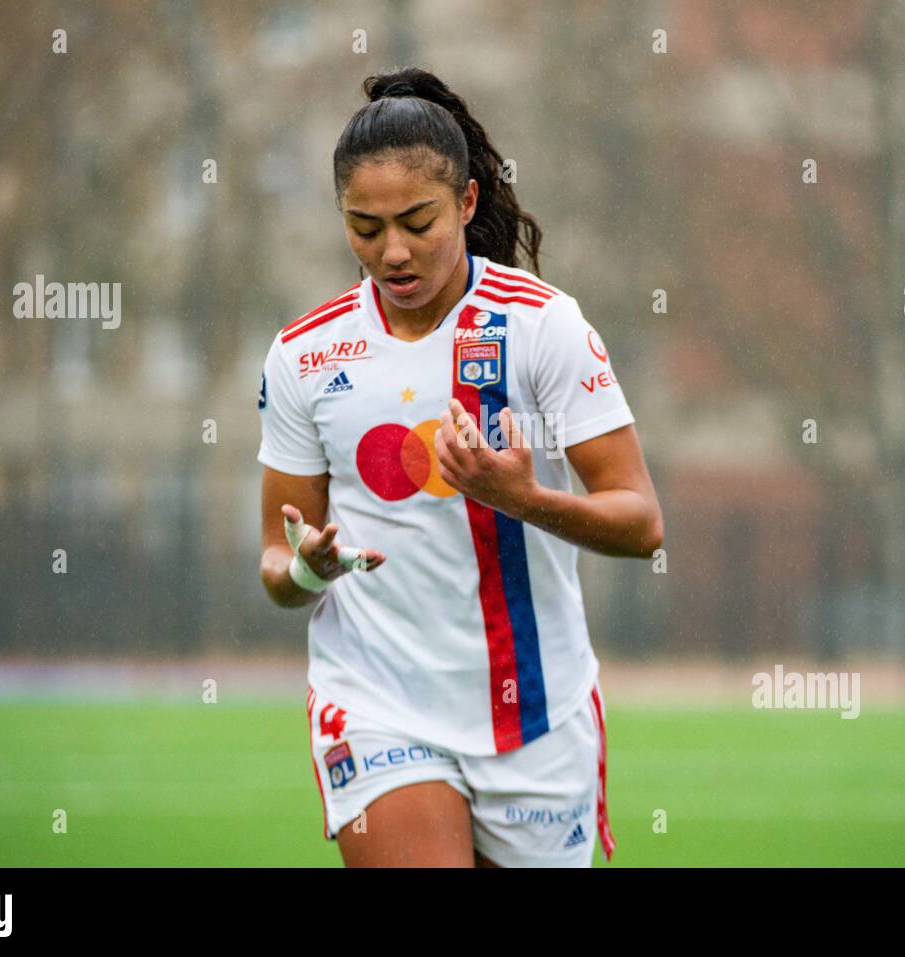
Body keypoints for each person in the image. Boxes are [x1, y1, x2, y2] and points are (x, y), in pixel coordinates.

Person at [257, 67, 663, 867]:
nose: (394, 252)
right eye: (365, 228)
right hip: (378, 705)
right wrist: (307, 570)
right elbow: (276, 561)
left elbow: (641, 523)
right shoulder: (304, 355)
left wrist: (522, 497)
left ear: (468, 203)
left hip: (534, 716)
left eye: (417, 221)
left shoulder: (543, 326)